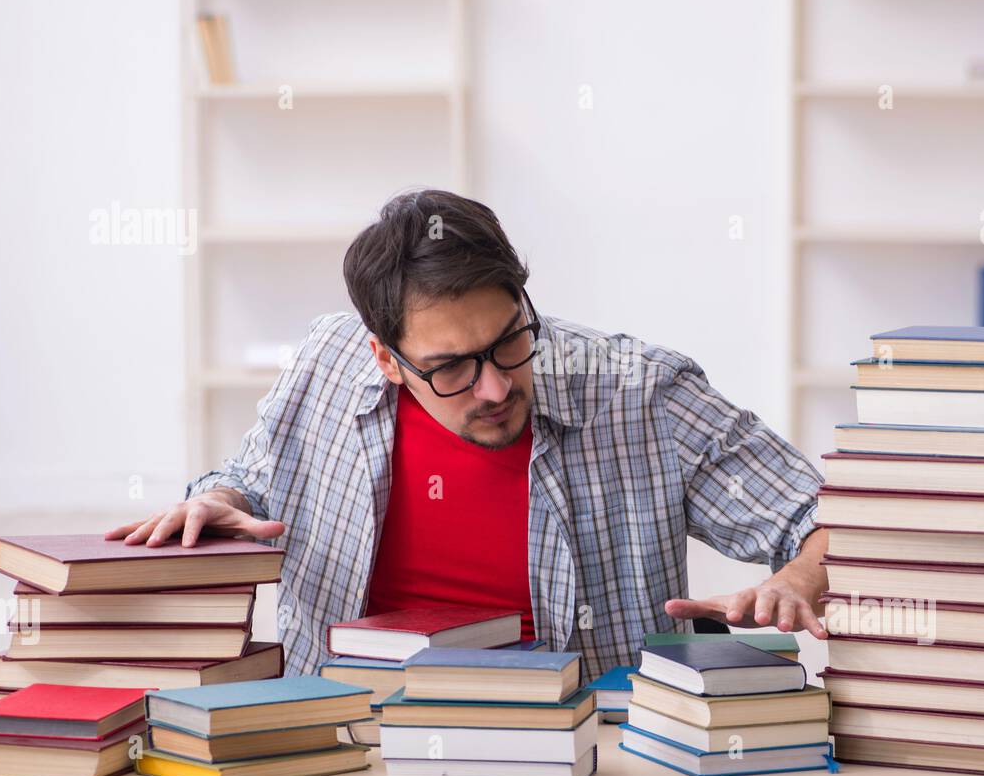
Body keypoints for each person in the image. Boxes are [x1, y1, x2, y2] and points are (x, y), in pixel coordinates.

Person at [105, 189, 829, 679]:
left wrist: (799, 576)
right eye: (450, 365)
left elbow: (835, 516)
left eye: (509, 340)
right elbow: (249, 478)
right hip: (349, 734)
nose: (494, 387)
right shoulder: (324, 362)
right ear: (385, 358)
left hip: (580, 743)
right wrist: (220, 497)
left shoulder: (641, 393)